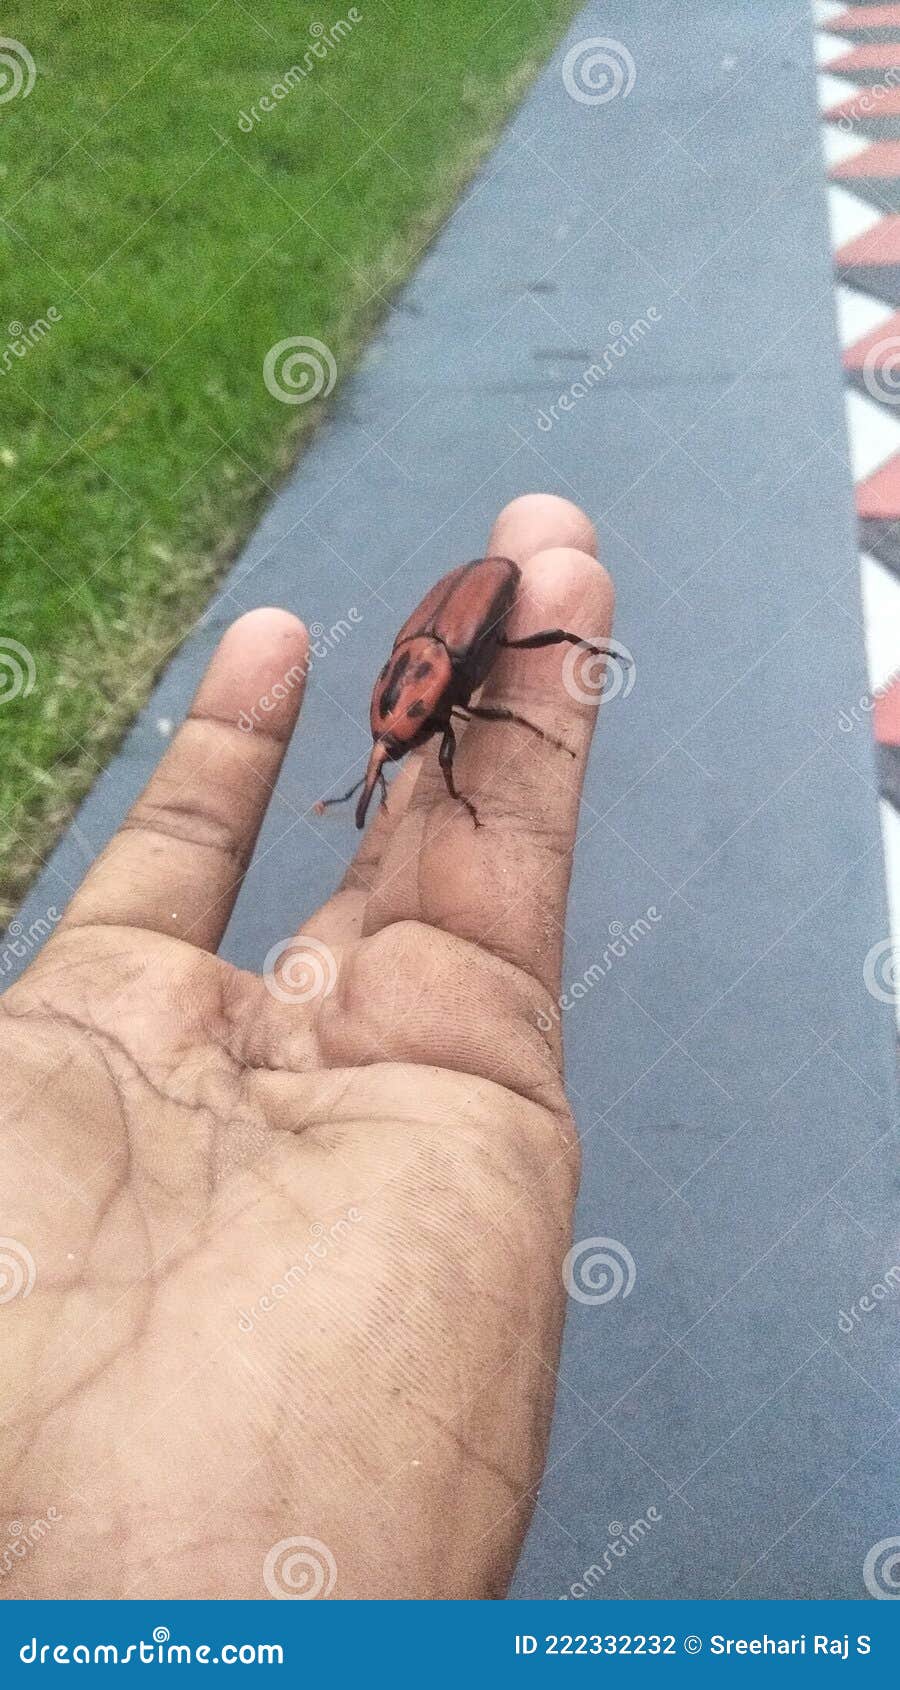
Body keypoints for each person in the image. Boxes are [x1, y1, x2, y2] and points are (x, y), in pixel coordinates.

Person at [0, 494, 614, 1599]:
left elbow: (456, 715)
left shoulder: (452, 675)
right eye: (396, 728)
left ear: (424, 696)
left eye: (405, 728)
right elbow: (420, 722)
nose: (399, 740)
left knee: (510, 697)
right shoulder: (416, 697)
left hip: (472, 617)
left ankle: (548, 661)